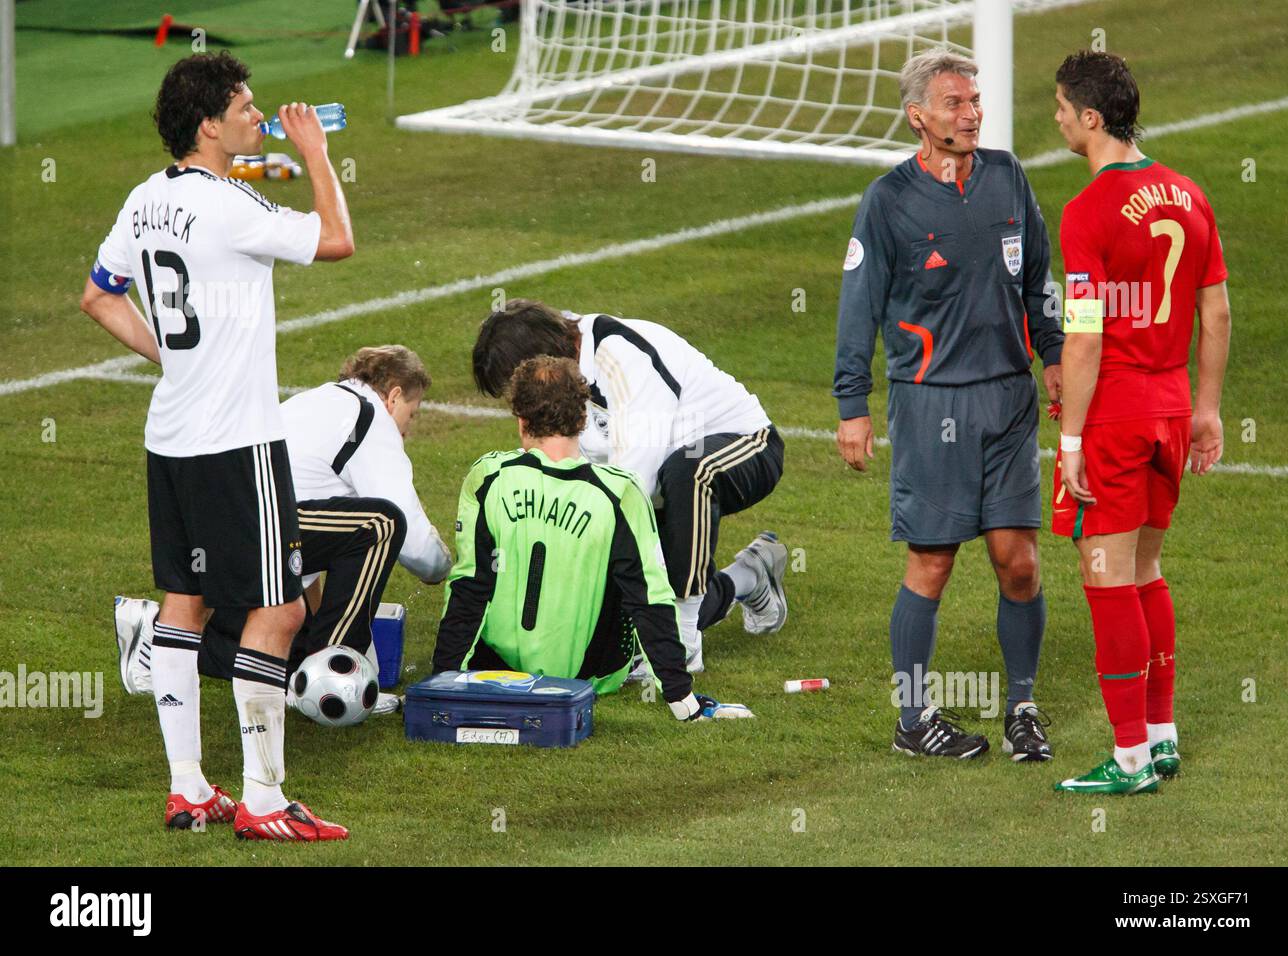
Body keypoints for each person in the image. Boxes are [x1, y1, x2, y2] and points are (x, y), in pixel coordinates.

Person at [80, 51, 354, 840]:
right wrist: (316, 156)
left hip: (171, 438)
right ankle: (265, 801)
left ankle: (189, 789)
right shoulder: (232, 207)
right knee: (279, 610)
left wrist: (169, 356)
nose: (258, 113)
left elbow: (99, 294)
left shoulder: (144, 200)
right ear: (209, 123)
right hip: (238, 442)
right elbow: (337, 240)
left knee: (185, 603)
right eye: (246, 104)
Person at [833, 48, 1064, 760]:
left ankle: (1022, 708)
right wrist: (852, 404)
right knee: (932, 561)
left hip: (1008, 398)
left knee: (1018, 560)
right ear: (919, 118)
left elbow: (1038, 278)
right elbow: (858, 308)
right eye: (955, 104)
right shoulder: (888, 202)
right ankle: (912, 720)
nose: (971, 115)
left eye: (974, 101)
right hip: (931, 404)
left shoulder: (1006, 178)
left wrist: (1053, 354)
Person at [1049, 51, 1230, 794]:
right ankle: (1161, 738)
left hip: (1116, 418)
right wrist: (1209, 408)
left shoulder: (1087, 212)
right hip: (1173, 409)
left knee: (1106, 578)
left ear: (1091, 118)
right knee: (1148, 571)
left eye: (1061, 107)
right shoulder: (1188, 193)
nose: (1055, 118)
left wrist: (1068, 440)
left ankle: (1126, 759)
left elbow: (1085, 335)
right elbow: (1214, 310)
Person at [114, 345, 453, 718]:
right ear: (394, 396)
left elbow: (314, 535)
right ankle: (334, 675)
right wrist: (447, 567)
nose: (408, 426)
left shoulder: (314, 403)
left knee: (280, 652)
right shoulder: (370, 416)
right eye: (412, 413)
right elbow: (413, 538)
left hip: (223, 526)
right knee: (381, 525)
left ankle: (159, 637)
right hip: (258, 526)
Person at [471, 299, 787, 675]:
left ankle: (683, 646)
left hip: (743, 446)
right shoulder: (560, 374)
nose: (520, 400)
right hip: (658, 483)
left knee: (688, 472)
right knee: (638, 608)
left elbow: (633, 480)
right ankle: (750, 576)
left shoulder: (622, 356)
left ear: (542, 360)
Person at [434, 356, 752, 721]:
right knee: (631, 571)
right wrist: (684, 702)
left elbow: (468, 588)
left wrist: (441, 682)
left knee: (487, 569)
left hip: (493, 667)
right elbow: (649, 600)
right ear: (583, 420)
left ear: (521, 420)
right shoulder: (619, 491)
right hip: (586, 675)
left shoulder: (488, 475)